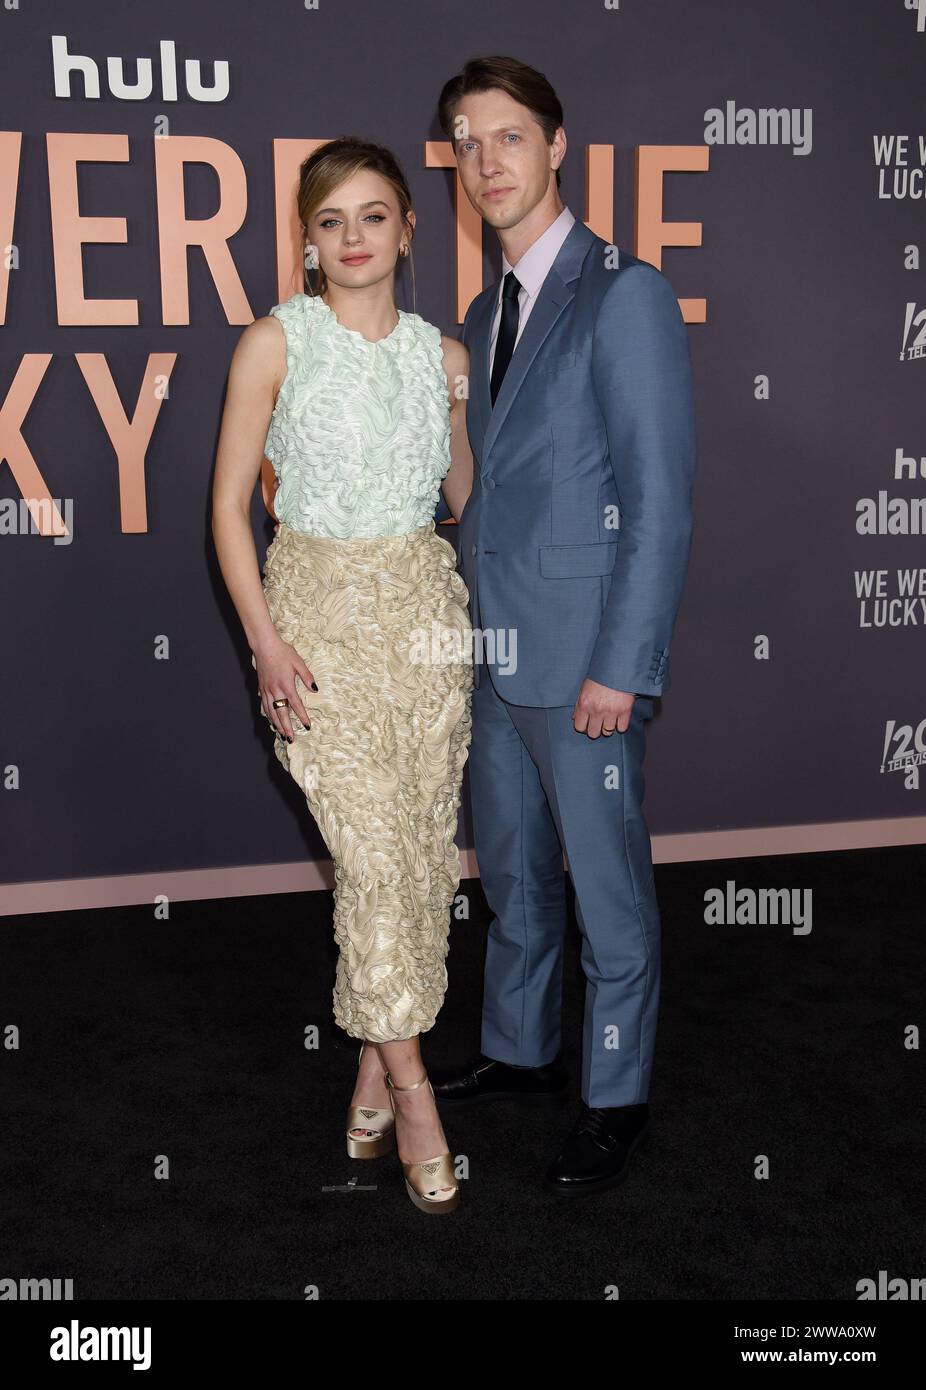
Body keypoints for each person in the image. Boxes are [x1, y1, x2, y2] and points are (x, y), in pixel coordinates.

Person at [429, 57, 697, 1197]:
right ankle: (521, 1047)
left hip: (583, 662)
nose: (485, 162)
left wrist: (620, 668)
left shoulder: (620, 291)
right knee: (515, 880)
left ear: (555, 146)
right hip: (494, 655)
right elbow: (475, 500)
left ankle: (614, 1092)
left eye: (507, 138)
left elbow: (658, 498)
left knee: (607, 894)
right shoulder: (483, 314)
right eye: (464, 142)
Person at [211, 137, 474, 1215]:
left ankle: (369, 1060)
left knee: (420, 861)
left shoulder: (441, 350)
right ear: (306, 240)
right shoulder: (275, 342)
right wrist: (266, 641)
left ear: (409, 228)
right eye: (331, 221)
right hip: (314, 623)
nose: (353, 238)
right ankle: (413, 1092)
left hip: (424, 620)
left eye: (374, 216)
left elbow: (456, 494)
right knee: (367, 861)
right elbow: (229, 508)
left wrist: (454, 403)